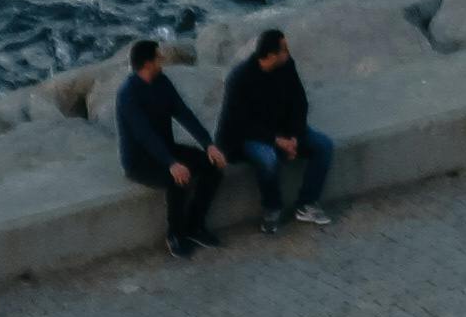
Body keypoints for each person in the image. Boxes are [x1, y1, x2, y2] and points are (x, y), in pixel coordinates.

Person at [113, 39, 227, 261]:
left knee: (212, 167)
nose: (162, 60)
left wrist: (209, 145)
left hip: (166, 149)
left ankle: (195, 226)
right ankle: (175, 235)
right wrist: (171, 162)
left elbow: (183, 113)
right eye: (158, 57)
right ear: (147, 63)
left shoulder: (162, 82)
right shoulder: (128, 94)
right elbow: (143, 134)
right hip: (139, 161)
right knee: (177, 179)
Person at [214, 28, 335, 236]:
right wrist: (278, 141)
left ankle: (306, 203)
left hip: (283, 130)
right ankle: (272, 209)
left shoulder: (287, 66)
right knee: (268, 159)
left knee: (324, 146)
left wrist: (294, 137)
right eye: (284, 49)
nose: (288, 53)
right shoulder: (240, 78)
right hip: (247, 136)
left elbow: (300, 103)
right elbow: (239, 123)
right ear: (271, 56)